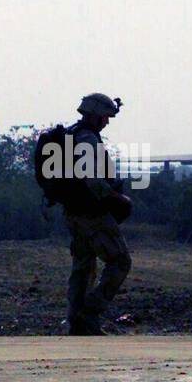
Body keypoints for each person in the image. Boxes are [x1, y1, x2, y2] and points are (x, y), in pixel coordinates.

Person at [63, 93, 132, 335]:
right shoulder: (86, 140)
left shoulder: (73, 135)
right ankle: (88, 313)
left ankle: (76, 322)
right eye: (105, 116)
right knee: (120, 261)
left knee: (84, 266)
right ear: (93, 113)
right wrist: (117, 198)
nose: (107, 121)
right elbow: (90, 178)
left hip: (75, 213)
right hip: (92, 213)